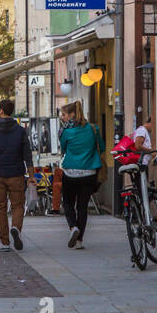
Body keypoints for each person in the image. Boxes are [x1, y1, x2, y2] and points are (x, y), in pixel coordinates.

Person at [0, 98, 33, 251]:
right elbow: (27, 154)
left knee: (0, 207)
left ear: (1, 111)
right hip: (16, 173)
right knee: (18, 205)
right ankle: (16, 228)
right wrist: (31, 175)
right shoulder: (20, 130)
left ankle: (4, 242)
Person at [58, 100, 103, 249]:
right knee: (82, 207)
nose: (62, 117)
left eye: (64, 114)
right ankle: (79, 241)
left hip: (70, 172)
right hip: (89, 172)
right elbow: (101, 148)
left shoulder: (66, 132)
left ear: (71, 115)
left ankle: (73, 228)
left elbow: (63, 149)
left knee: (68, 203)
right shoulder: (93, 128)